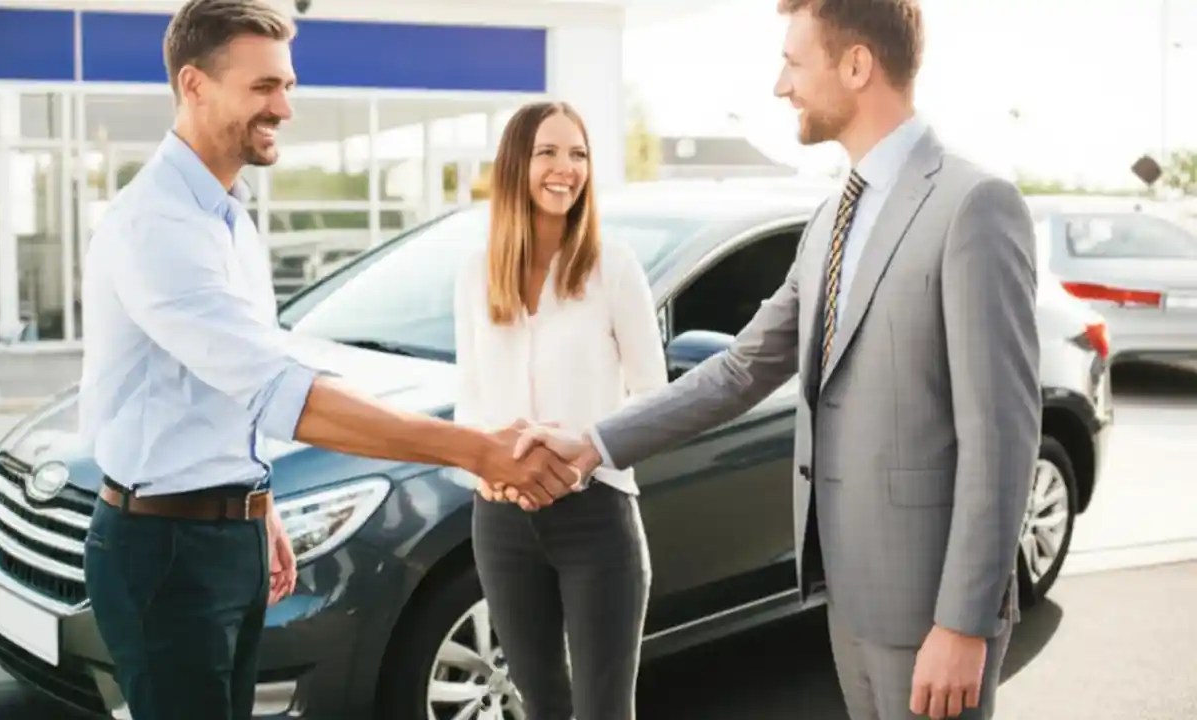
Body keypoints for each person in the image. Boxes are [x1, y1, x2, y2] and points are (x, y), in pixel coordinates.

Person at [513, 1, 1040, 719]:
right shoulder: (830, 218)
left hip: (932, 611)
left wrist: (964, 622)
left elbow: (1002, 436)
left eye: (794, 63)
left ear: (857, 66)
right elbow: (742, 368)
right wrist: (592, 443)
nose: (780, 85)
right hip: (847, 595)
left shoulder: (974, 204)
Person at [76, 2, 580, 719]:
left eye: (287, 85)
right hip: (168, 552)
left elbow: (229, 386)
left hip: (226, 531)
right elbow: (283, 391)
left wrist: (258, 503)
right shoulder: (158, 226)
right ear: (193, 84)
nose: (285, 107)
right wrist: (477, 451)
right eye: (263, 87)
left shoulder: (226, 214)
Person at [453, 101, 667, 720]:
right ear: (516, 164)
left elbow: (654, 396)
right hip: (500, 521)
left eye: (578, 154)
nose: (565, 168)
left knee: (603, 709)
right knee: (541, 704)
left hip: (596, 517)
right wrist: (484, 469)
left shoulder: (613, 267)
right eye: (547, 152)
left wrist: (583, 448)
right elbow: (470, 395)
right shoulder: (475, 272)